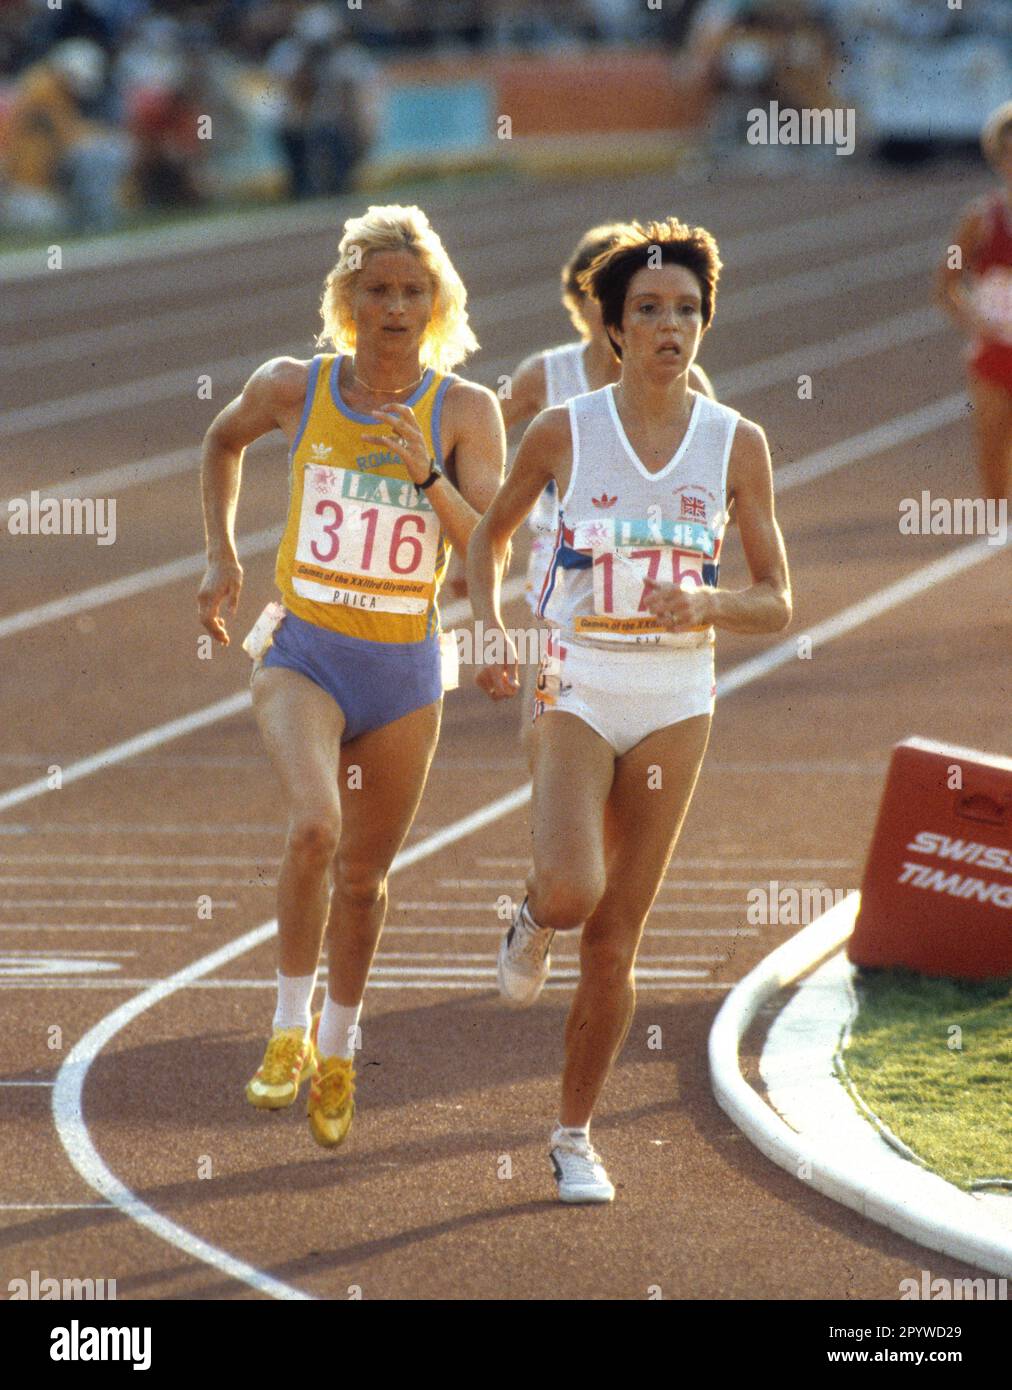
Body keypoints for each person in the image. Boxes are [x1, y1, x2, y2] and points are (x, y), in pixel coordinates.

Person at [466, 218, 792, 1203]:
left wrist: (708, 602)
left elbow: (777, 598)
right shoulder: (564, 430)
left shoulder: (736, 443)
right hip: (575, 681)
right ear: (611, 327)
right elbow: (487, 536)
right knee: (573, 891)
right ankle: (532, 917)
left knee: (614, 939)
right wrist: (491, 629)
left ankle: (574, 1138)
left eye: (686, 309)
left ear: (705, 322)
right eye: (648, 309)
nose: (669, 326)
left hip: (676, 701)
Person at [198, 204, 505, 1149]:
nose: (397, 307)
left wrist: (427, 476)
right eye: (379, 291)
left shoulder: (465, 410)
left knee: (365, 880)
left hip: (404, 668)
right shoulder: (296, 387)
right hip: (305, 652)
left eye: (414, 291)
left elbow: (489, 544)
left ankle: (338, 1048)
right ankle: (288, 1030)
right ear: (348, 299)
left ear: (438, 302)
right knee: (315, 827)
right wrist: (220, 555)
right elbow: (221, 440)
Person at [502, 223, 716, 757]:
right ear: (581, 303)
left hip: (650, 572)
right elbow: (482, 432)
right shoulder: (546, 375)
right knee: (539, 728)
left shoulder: (687, 383)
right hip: (561, 568)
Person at [937, 101, 1012, 503]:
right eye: (1009, 154)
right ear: (998, 159)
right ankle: (1000, 527)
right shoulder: (979, 219)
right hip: (993, 351)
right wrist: (973, 321)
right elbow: (946, 283)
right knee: (992, 440)